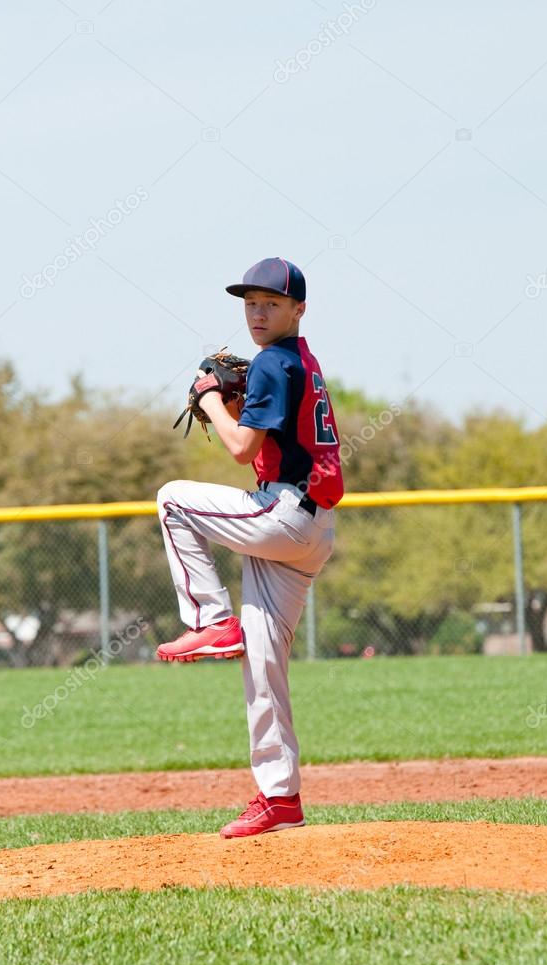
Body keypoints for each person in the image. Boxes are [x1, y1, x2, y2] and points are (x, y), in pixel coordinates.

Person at [156, 257, 344, 838]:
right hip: (312, 529)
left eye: (270, 304)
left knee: (171, 499)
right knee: (263, 664)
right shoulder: (301, 362)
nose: (257, 313)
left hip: (283, 515)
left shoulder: (269, 362)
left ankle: (212, 619)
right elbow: (268, 438)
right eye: (250, 303)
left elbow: (239, 449)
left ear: (298, 308)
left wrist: (212, 397)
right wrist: (239, 403)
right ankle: (279, 797)